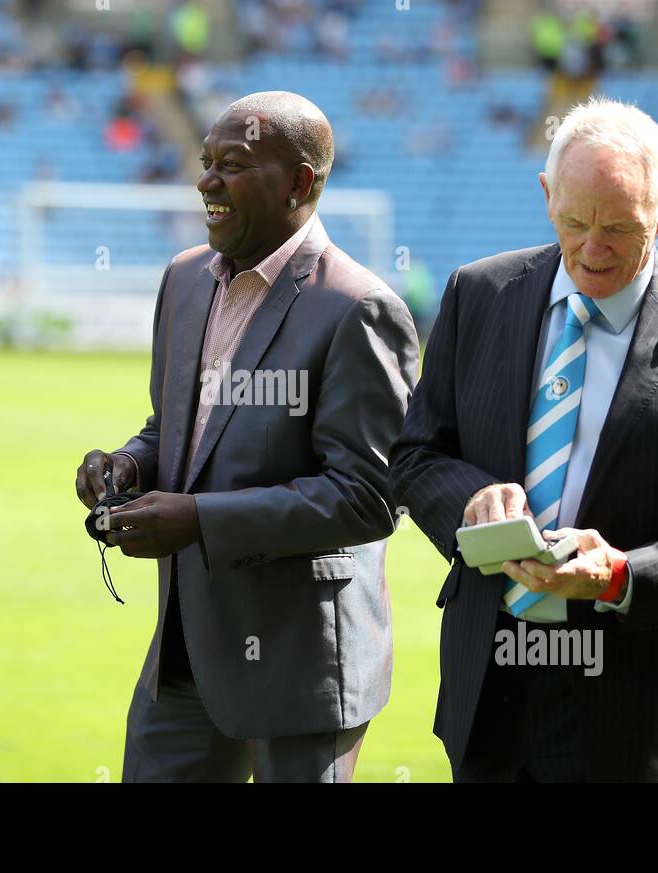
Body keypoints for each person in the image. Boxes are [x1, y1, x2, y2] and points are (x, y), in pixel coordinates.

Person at [390, 97, 658, 781]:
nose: (592, 249)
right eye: (574, 222)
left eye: (620, 228)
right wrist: (473, 500)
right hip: (489, 695)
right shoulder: (476, 294)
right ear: (547, 196)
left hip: (638, 713)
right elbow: (416, 454)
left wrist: (619, 576)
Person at [75, 91, 418, 782]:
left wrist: (198, 520)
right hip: (185, 652)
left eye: (232, 164)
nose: (206, 181)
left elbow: (369, 499)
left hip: (301, 663)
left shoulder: (359, 307)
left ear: (301, 181)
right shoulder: (182, 281)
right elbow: (171, 429)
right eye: (206, 162)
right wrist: (129, 466)